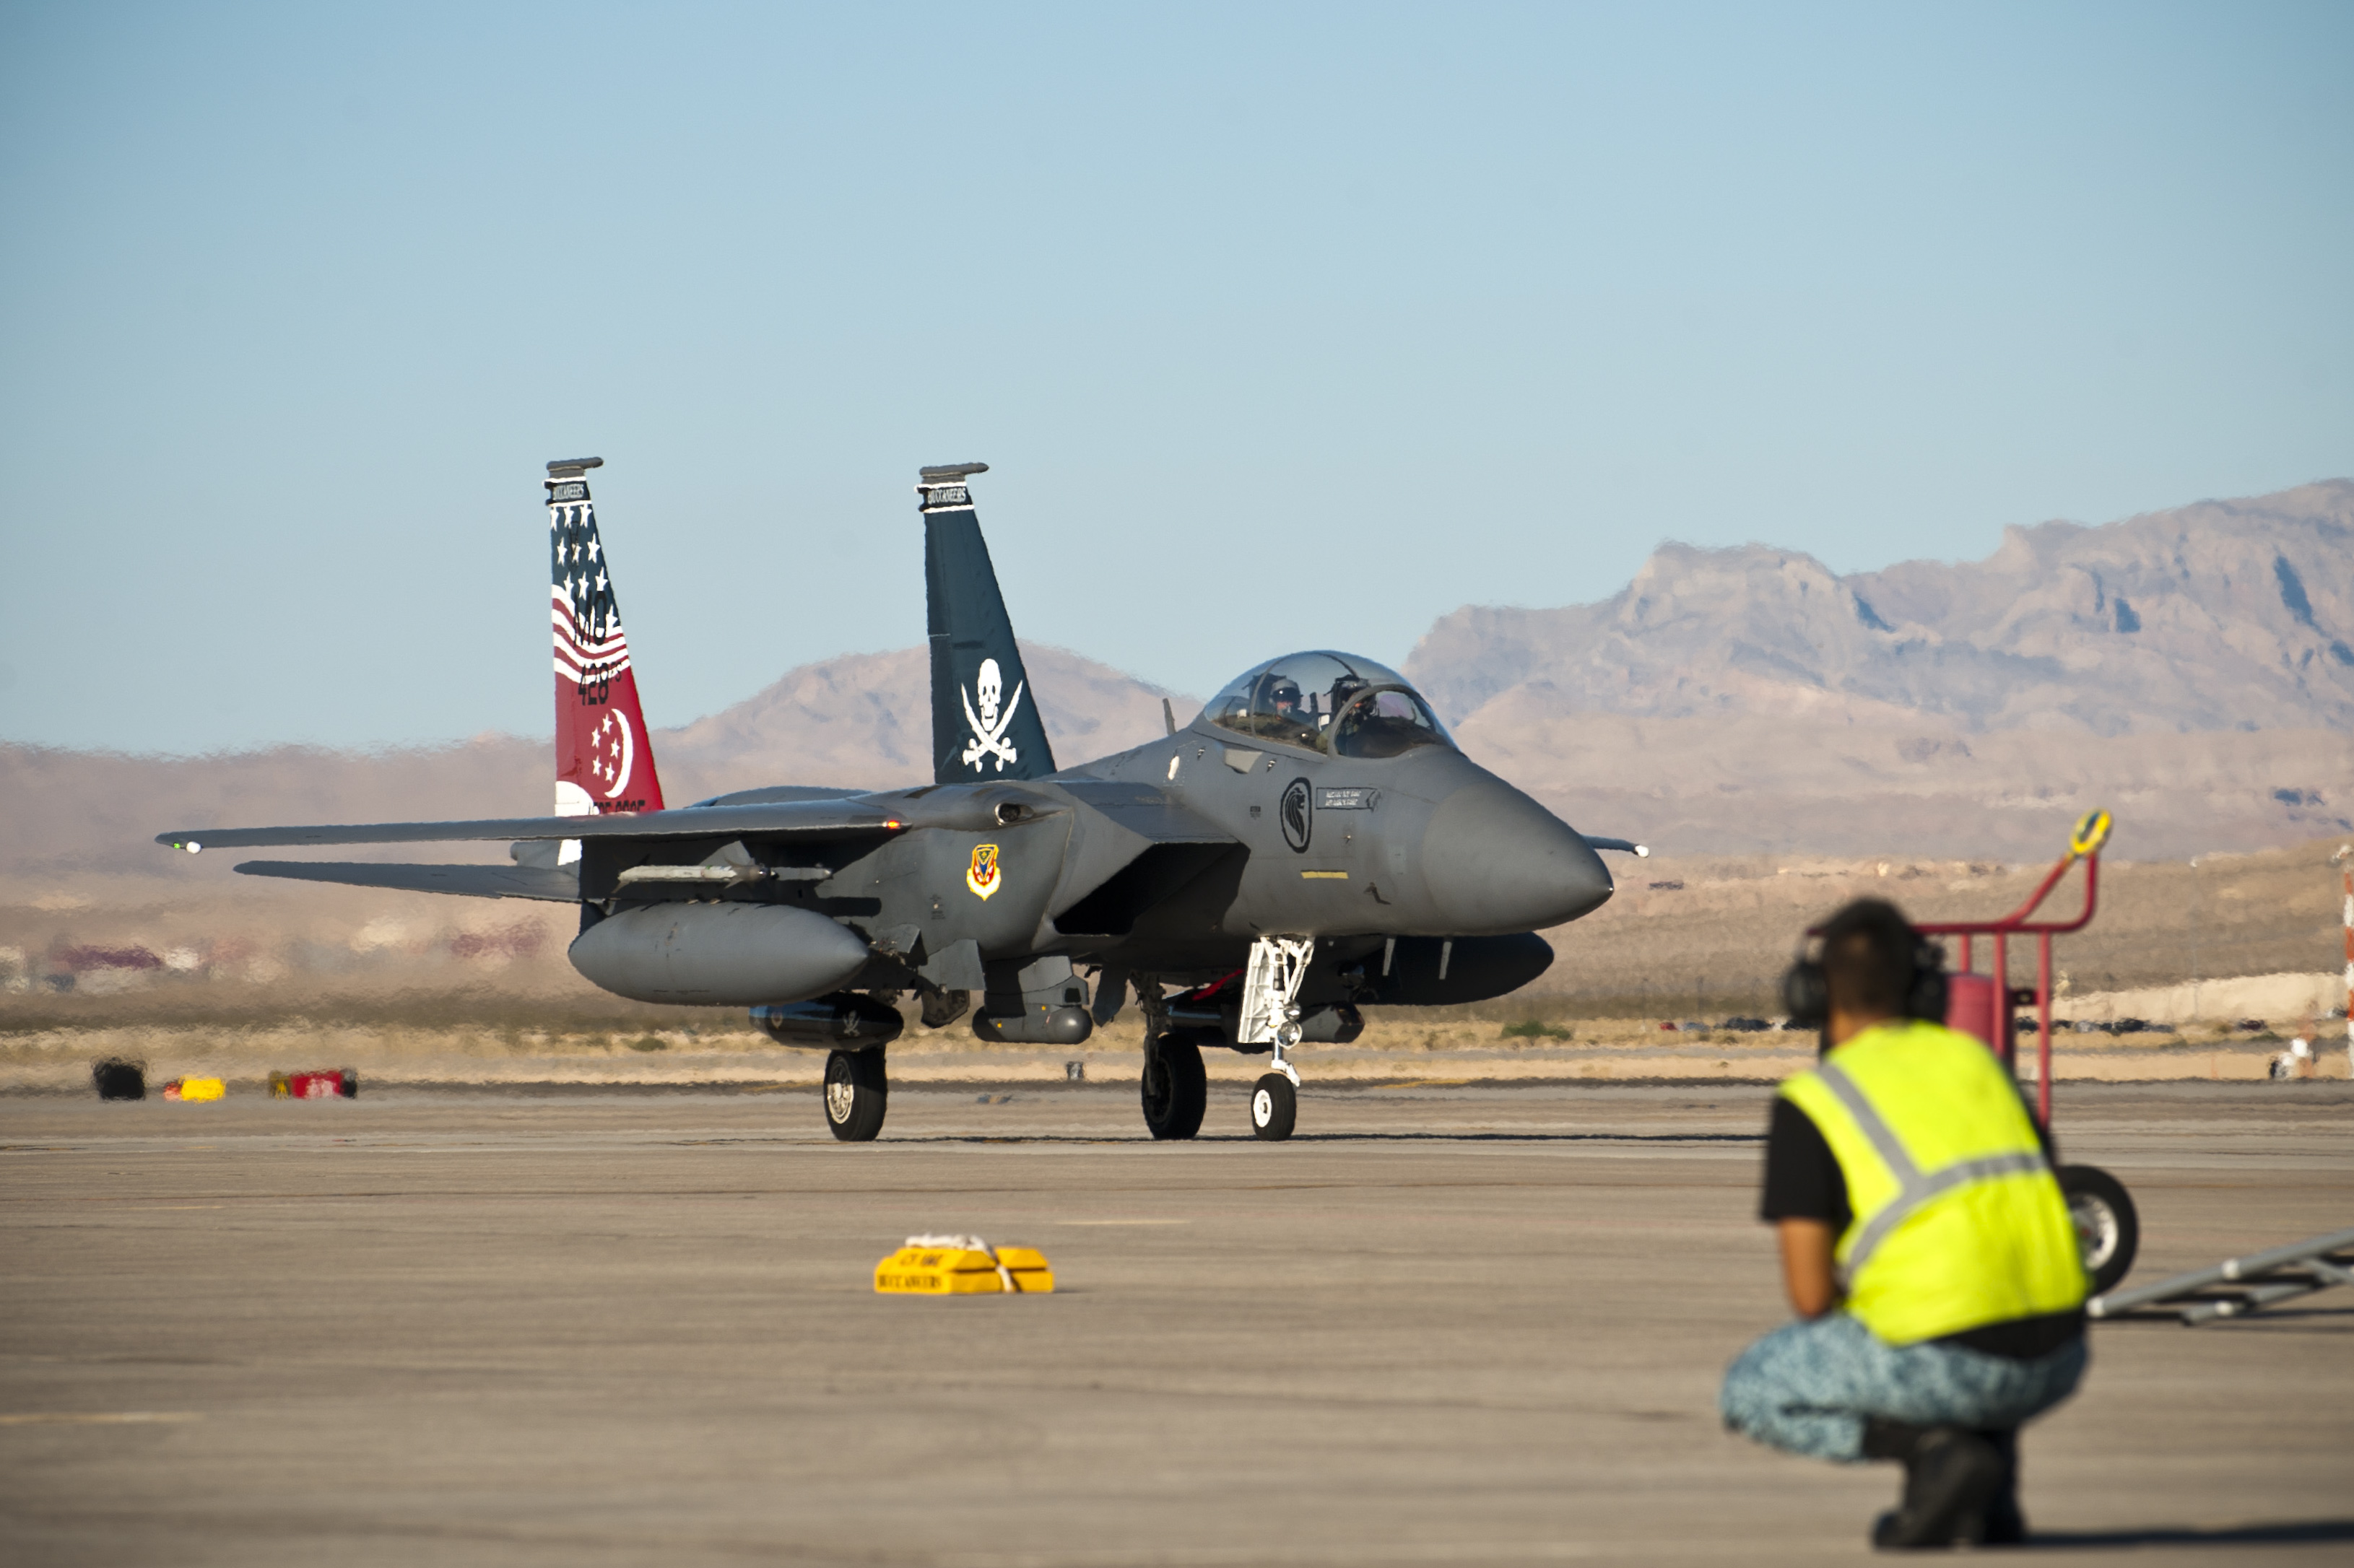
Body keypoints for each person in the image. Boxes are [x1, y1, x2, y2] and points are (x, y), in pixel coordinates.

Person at [1719, 898, 2089, 1550]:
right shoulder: (1982, 1067)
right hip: (2062, 1357)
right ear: (1925, 988)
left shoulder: (1816, 1100)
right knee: (1982, 1313)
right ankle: (1992, 1495)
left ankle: (1933, 1453)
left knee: (1753, 1388)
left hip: (1951, 1363)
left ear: (1812, 993)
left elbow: (1810, 1298)